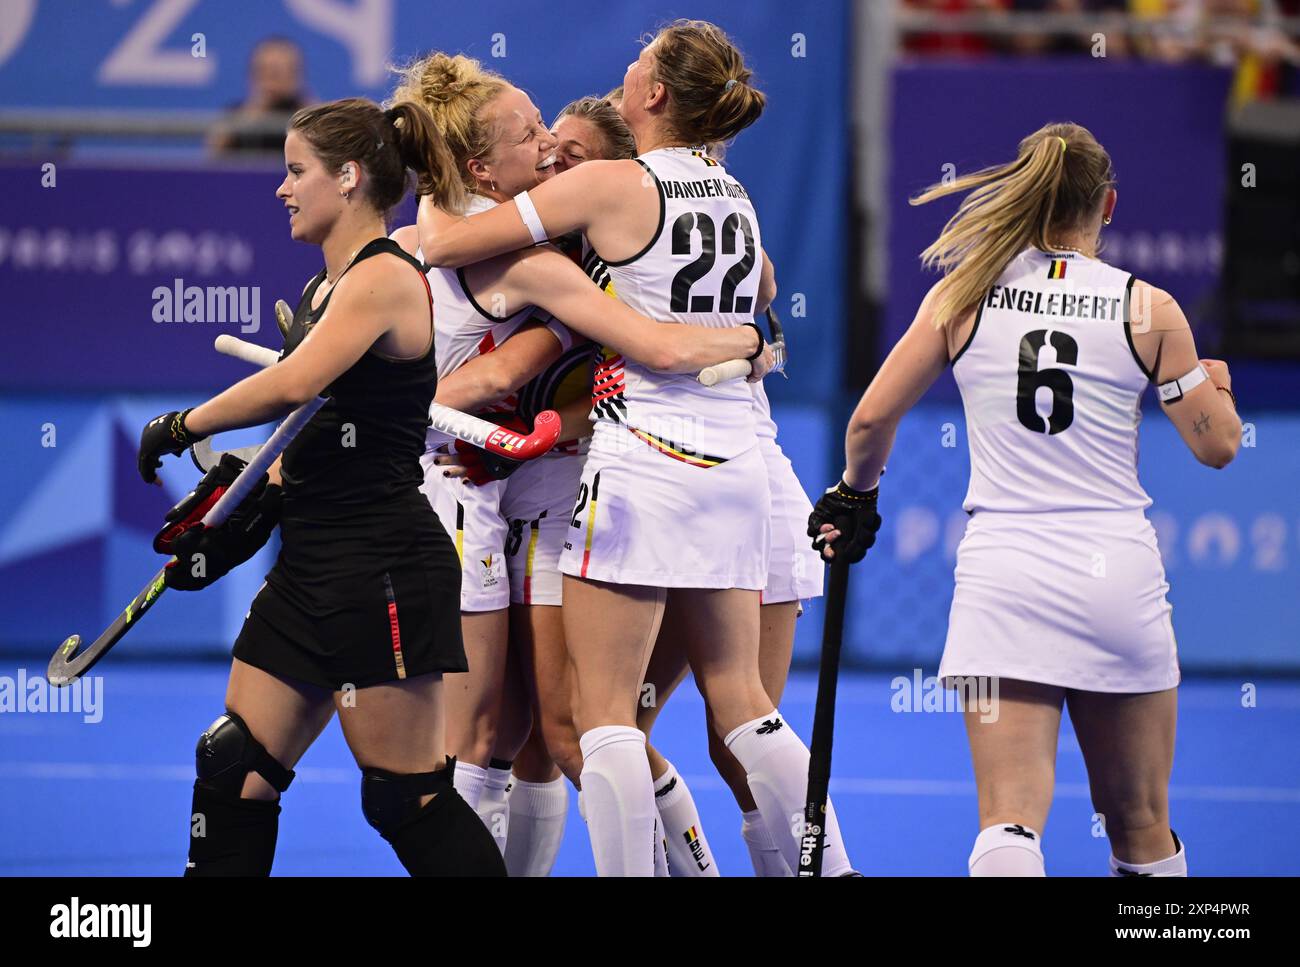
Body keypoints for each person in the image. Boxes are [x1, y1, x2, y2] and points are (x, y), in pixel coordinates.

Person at [420, 20, 825, 877]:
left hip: (644, 455)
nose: (623, 71)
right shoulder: (732, 191)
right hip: (738, 464)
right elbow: (764, 293)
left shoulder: (611, 186)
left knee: (602, 719)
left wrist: (429, 169)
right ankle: (834, 865)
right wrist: (753, 344)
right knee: (743, 708)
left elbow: (446, 242)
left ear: (654, 97)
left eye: (637, 64)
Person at [810, 121, 1241, 877]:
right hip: (1117, 576)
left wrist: (856, 496)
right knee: (1141, 826)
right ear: (1107, 206)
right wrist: (1217, 387)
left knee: (1008, 821)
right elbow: (1218, 445)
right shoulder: (1150, 308)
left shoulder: (963, 295)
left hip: (1003, 575)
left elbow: (871, 418)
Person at [137, 96, 506, 876]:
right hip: (313, 561)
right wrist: (244, 505)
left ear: (347, 178)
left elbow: (294, 383)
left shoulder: (382, 278)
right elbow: (307, 426)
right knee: (233, 765)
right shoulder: (319, 291)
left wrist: (183, 425)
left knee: (405, 797)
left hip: (381, 567)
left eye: (295, 171)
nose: (282, 188)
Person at [209, 36, 309, 155]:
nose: (269, 79)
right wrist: (253, 111)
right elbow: (214, 156)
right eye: (263, 70)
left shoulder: (306, 116)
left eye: (276, 72)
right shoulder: (236, 114)